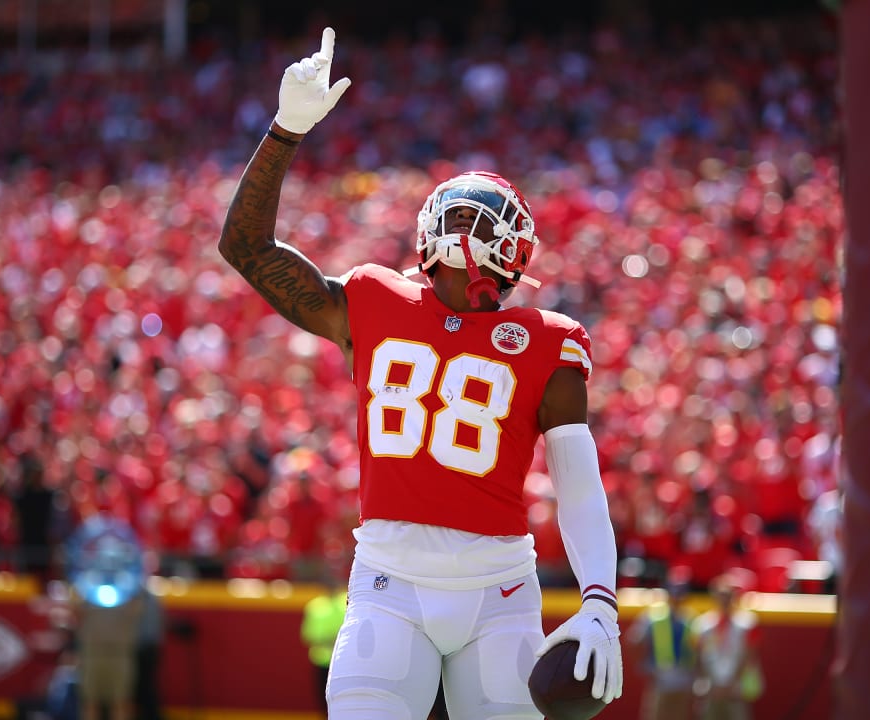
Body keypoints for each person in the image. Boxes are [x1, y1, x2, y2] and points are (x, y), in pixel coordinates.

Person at [216, 27, 623, 720]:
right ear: (428, 229)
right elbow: (245, 247)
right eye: (457, 214)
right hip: (388, 580)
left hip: (500, 591)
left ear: (519, 248)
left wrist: (601, 601)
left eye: (483, 217)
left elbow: (578, 482)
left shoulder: (550, 342)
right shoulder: (374, 298)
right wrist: (285, 130)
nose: (469, 227)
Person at [691, 577, 761, 720]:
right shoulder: (704, 625)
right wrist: (706, 683)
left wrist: (732, 684)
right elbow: (699, 657)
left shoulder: (746, 623)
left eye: (727, 597)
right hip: (712, 688)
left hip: (736, 689)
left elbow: (749, 655)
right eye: (720, 597)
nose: (724, 601)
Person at [627, 580, 695, 720]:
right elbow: (633, 641)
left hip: (683, 679)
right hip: (660, 678)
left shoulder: (690, 618)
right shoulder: (652, 616)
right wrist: (644, 667)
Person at [300, 562, 348, 717]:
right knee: (324, 702)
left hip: (344, 661)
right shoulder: (315, 606)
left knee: (345, 700)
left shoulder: (346, 601)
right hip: (322, 661)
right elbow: (308, 636)